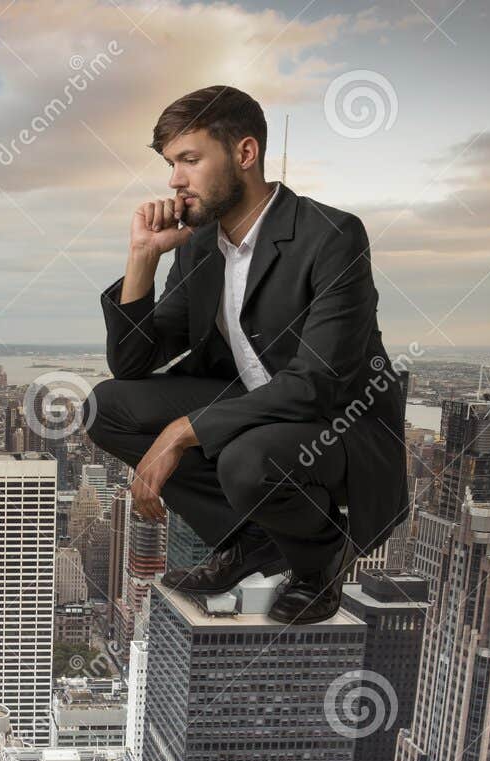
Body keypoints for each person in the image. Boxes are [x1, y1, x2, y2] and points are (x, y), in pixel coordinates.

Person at [88, 85, 408, 625]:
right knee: (105, 407)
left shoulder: (332, 235)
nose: (174, 181)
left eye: (189, 159)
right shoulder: (199, 246)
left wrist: (180, 432)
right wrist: (142, 256)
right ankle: (253, 538)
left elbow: (315, 386)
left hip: (336, 425)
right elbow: (133, 365)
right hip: (256, 412)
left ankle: (319, 563)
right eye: (170, 164)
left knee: (246, 459)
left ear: (244, 153)